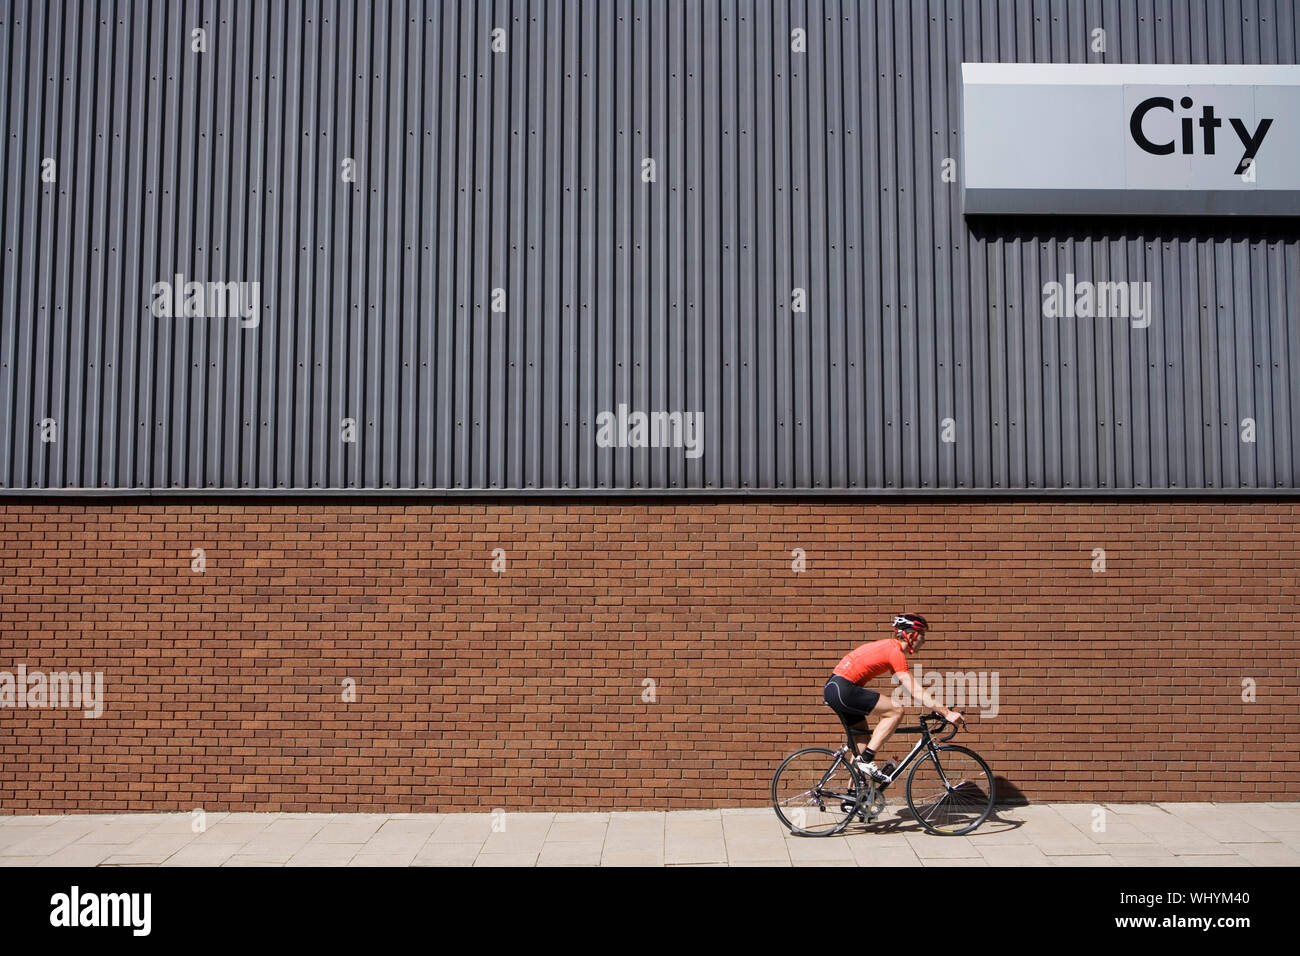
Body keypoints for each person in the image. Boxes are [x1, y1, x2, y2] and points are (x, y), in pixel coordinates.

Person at [823, 614, 965, 783]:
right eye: (922, 634)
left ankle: (855, 793)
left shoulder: (887, 647)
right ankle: (867, 760)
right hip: (843, 689)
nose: (924, 640)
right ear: (911, 635)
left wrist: (935, 707)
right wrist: (946, 712)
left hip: (835, 688)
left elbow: (907, 688)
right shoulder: (894, 651)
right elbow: (914, 690)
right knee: (896, 710)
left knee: (862, 739)